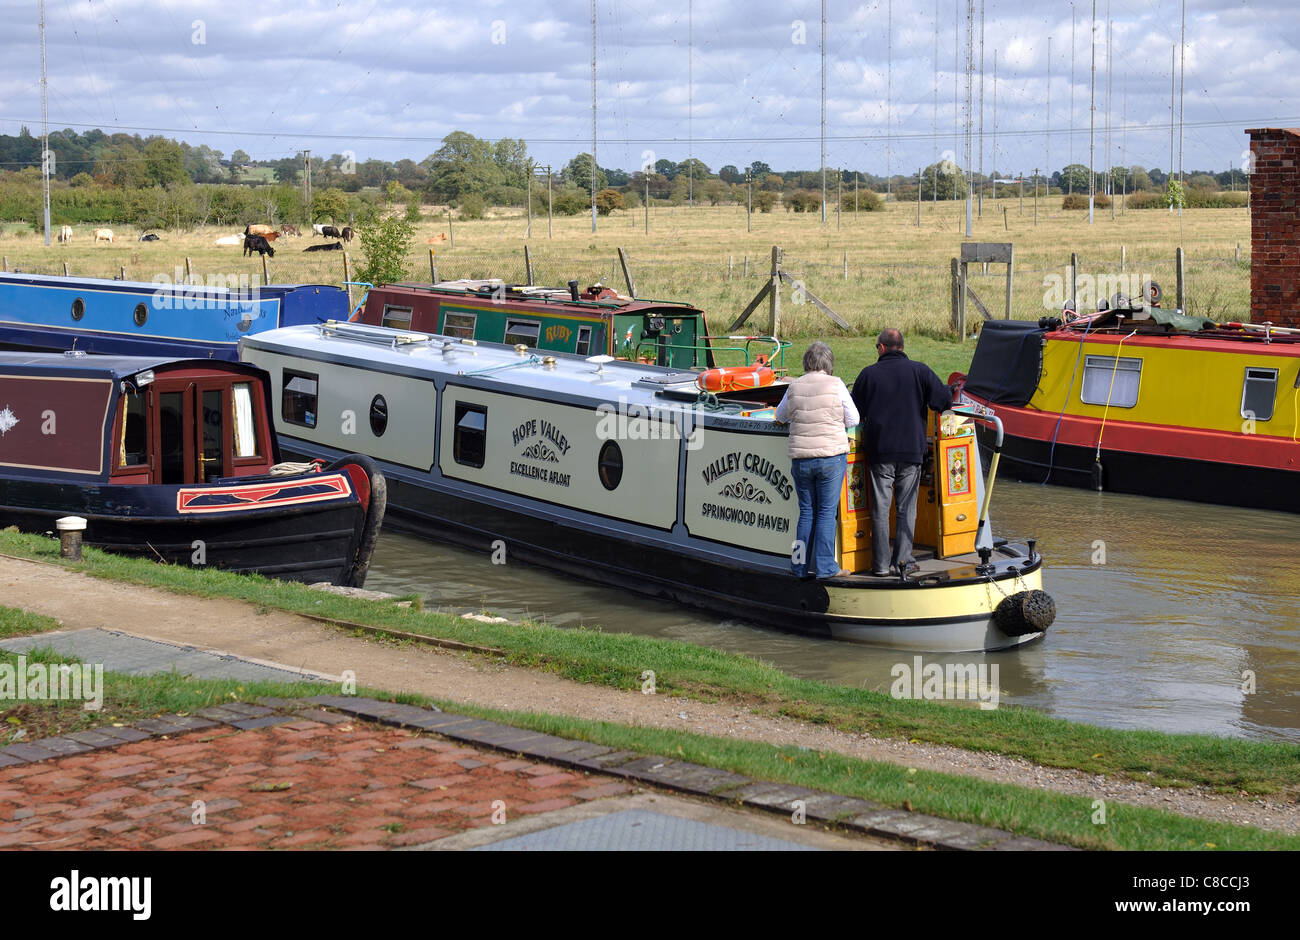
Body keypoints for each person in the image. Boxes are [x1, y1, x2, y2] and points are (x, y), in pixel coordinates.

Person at [850, 328, 953, 576]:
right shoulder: (921, 371)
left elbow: (853, 414)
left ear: (882, 348)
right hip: (911, 452)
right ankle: (903, 561)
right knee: (907, 510)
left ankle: (881, 566)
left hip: (880, 452)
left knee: (880, 511)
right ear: (902, 347)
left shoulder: (868, 374)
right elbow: (942, 401)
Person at [773, 341, 860, 579]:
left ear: (806, 362)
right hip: (831, 457)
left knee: (806, 513)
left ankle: (799, 565)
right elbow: (853, 418)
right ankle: (825, 568)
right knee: (826, 513)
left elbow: (780, 415)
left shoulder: (794, 386)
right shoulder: (837, 384)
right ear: (829, 363)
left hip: (801, 458)